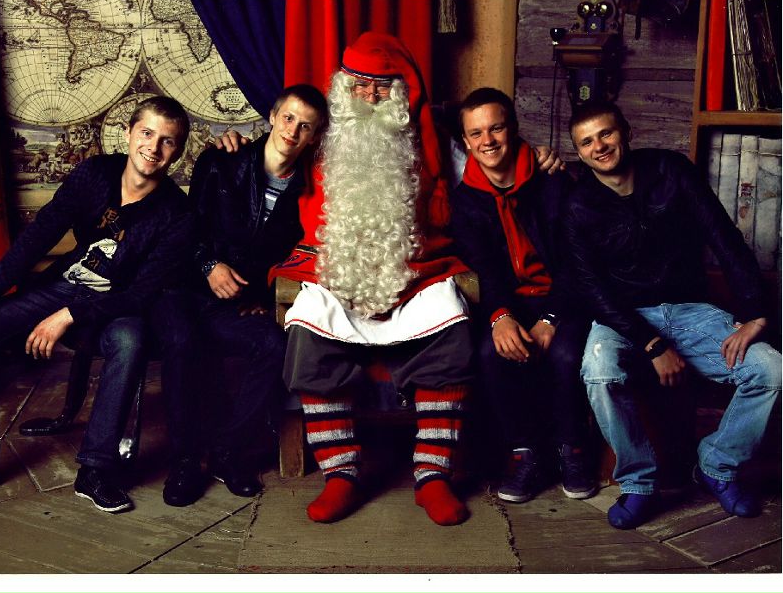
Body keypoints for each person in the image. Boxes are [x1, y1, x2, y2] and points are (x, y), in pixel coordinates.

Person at [269, 33, 561, 526]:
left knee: (451, 322)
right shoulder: (321, 135)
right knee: (308, 326)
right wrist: (234, 146)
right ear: (344, 87)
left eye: (382, 87)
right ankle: (341, 473)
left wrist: (540, 160)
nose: (370, 96)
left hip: (414, 268)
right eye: (361, 85)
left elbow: (494, 166)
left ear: (402, 93)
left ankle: (433, 475)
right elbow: (270, 157)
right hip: (337, 268)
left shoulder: (438, 141)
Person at [0, 96, 193, 513]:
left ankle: (96, 469)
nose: (153, 148)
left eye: (167, 141)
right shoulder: (94, 174)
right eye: (147, 133)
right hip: (64, 286)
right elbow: (40, 235)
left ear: (177, 152)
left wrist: (69, 316)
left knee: (130, 342)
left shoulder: (178, 213)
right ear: (128, 133)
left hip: (117, 304)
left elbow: (140, 294)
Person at [563, 100, 781, 529]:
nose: (599, 146)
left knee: (772, 370)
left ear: (626, 132)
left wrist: (755, 312)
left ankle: (717, 465)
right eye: (586, 142)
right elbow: (592, 289)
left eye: (606, 133)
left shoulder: (671, 170)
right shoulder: (578, 205)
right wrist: (653, 345)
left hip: (691, 311)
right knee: (600, 371)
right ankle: (638, 482)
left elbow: (723, 236)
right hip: (622, 318)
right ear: (580, 153)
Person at [152, 85, 328, 507]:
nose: (292, 131)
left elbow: (295, 254)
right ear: (272, 117)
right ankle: (185, 460)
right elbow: (186, 228)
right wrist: (208, 265)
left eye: (305, 127)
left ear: (314, 138)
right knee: (181, 341)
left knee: (274, 344)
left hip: (235, 304)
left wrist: (266, 297)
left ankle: (228, 451)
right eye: (288, 118)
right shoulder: (222, 160)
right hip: (182, 291)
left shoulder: (308, 190)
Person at [449, 88, 597, 504]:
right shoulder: (465, 200)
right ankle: (524, 454)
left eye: (496, 128)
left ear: (513, 129)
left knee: (565, 355)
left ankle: (572, 450)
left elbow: (575, 260)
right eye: (476, 133)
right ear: (466, 142)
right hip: (510, 301)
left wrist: (550, 318)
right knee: (490, 354)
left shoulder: (554, 180)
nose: (488, 140)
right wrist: (499, 315)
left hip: (564, 297)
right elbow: (484, 267)